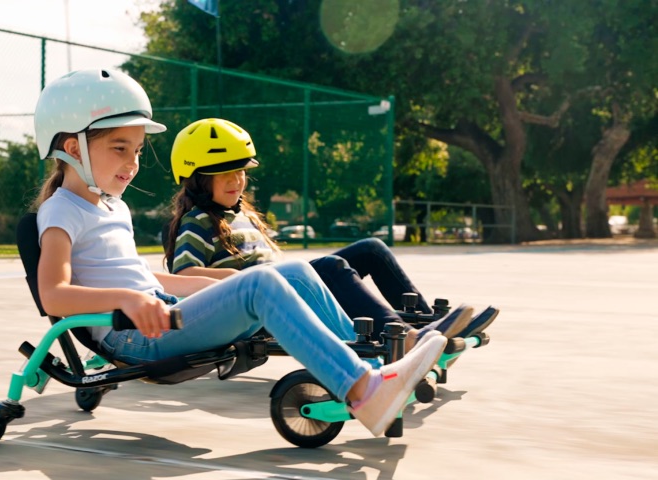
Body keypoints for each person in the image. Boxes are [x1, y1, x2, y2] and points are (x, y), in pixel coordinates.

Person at [32, 69, 451, 437]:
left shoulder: (111, 206)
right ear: (73, 148)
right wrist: (126, 299)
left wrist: (220, 281)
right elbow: (54, 294)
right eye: (120, 148)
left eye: (138, 150)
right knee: (263, 284)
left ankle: (368, 365)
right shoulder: (61, 211)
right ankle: (366, 393)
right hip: (135, 337)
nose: (134, 162)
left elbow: (147, 280)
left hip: (165, 311)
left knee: (296, 273)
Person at [164, 118, 499, 352]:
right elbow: (182, 275)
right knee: (330, 266)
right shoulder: (198, 222)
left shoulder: (241, 214)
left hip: (286, 287)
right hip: (258, 305)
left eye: (240, 171)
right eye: (224, 173)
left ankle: (428, 320)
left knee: (371, 248)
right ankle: (408, 338)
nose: (236, 180)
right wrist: (242, 278)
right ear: (195, 178)